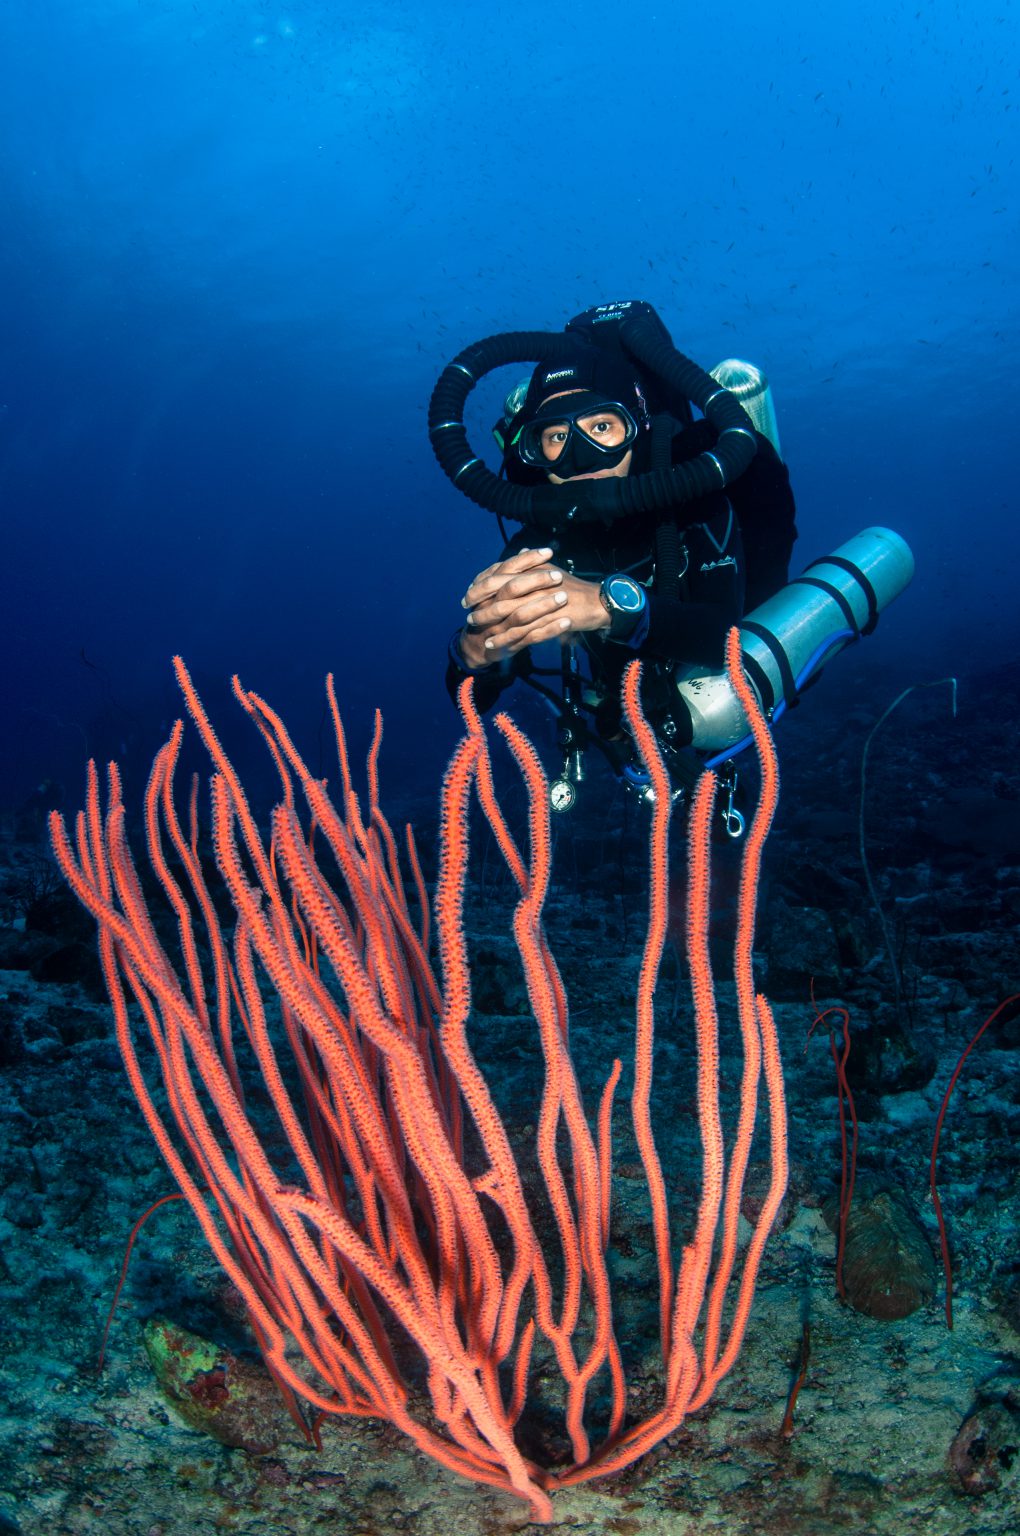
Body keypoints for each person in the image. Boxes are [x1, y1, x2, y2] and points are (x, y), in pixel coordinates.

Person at [435, 301, 797, 767]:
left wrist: (610, 607)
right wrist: (473, 652)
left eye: (602, 426)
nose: (580, 456)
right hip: (627, 709)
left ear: (637, 430)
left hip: (730, 683)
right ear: (534, 451)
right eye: (556, 437)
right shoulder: (542, 542)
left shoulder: (695, 502)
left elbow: (727, 635)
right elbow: (471, 698)